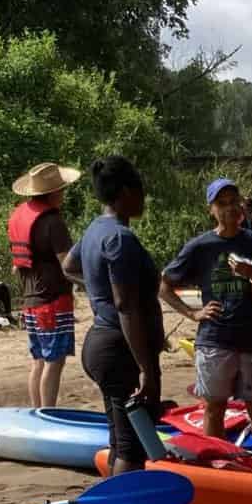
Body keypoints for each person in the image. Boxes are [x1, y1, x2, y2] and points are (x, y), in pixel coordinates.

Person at [160, 178, 252, 453]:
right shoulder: (200, 246)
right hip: (214, 341)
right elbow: (164, 285)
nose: (229, 209)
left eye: (233, 202)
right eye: (221, 204)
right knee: (214, 409)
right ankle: (217, 466)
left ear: (241, 207)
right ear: (211, 209)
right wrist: (192, 313)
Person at [61, 156, 163, 474]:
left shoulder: (95, 229)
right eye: (139, 190)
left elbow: (69, 267)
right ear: (124, 192)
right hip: (119, 350)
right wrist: (146, 368)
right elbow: (125, 307)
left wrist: (96, 288)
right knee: (132, 449)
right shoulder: (120, 238)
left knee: (121, 440)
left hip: (102, 346)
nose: (144, 197)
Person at [8, 162, 81, 407]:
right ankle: (49, 412)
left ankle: (38, 411)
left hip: (30, 302)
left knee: (38, 360)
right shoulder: (53, 222)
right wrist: (90, 283)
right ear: (52, 193)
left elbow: (16, 264)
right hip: (51, 301)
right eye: (61, 190)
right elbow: (67, 265)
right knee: (55, 361)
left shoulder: (21, 215)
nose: (63, 194)